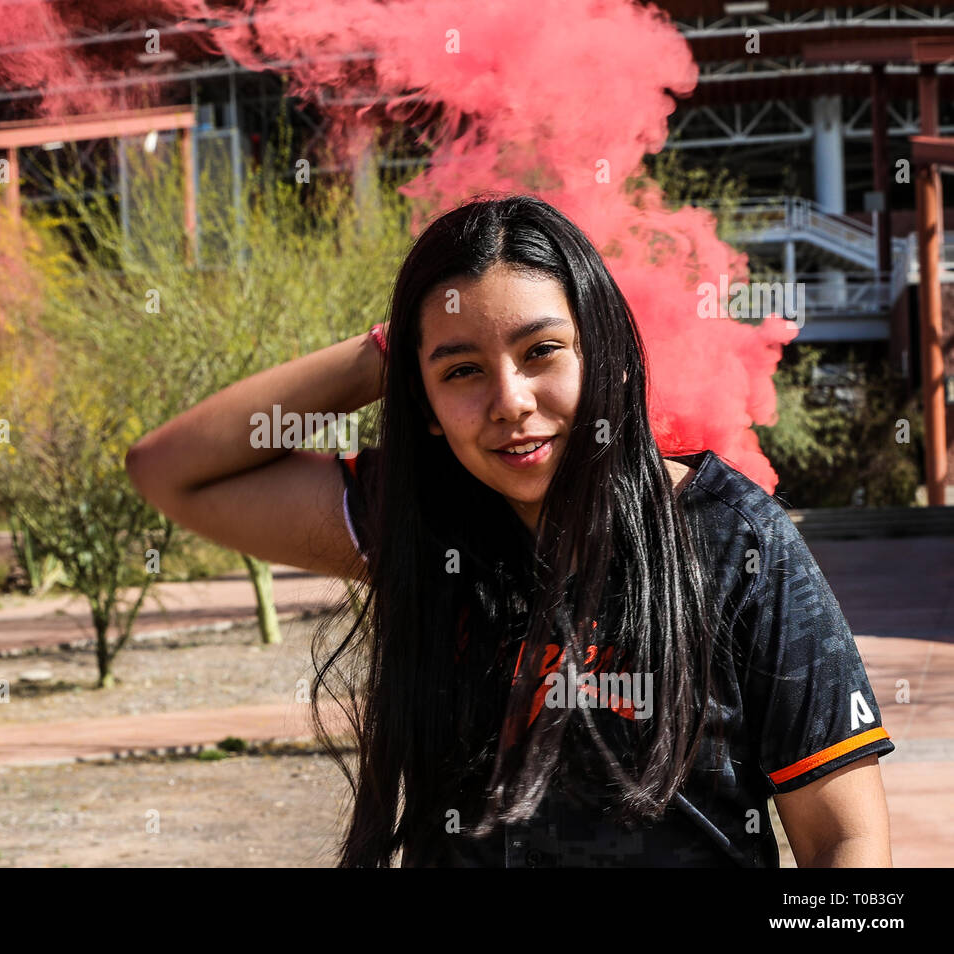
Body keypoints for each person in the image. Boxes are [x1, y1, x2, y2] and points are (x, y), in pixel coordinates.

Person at [125, 194, 895, 867]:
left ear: (609, 355)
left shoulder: (737, 542)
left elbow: (844, 839)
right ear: (423, 403)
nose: (511, 400)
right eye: (461, 371)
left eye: (541, 352)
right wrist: (384, 355)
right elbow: (169, 469)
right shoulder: (421, 524)